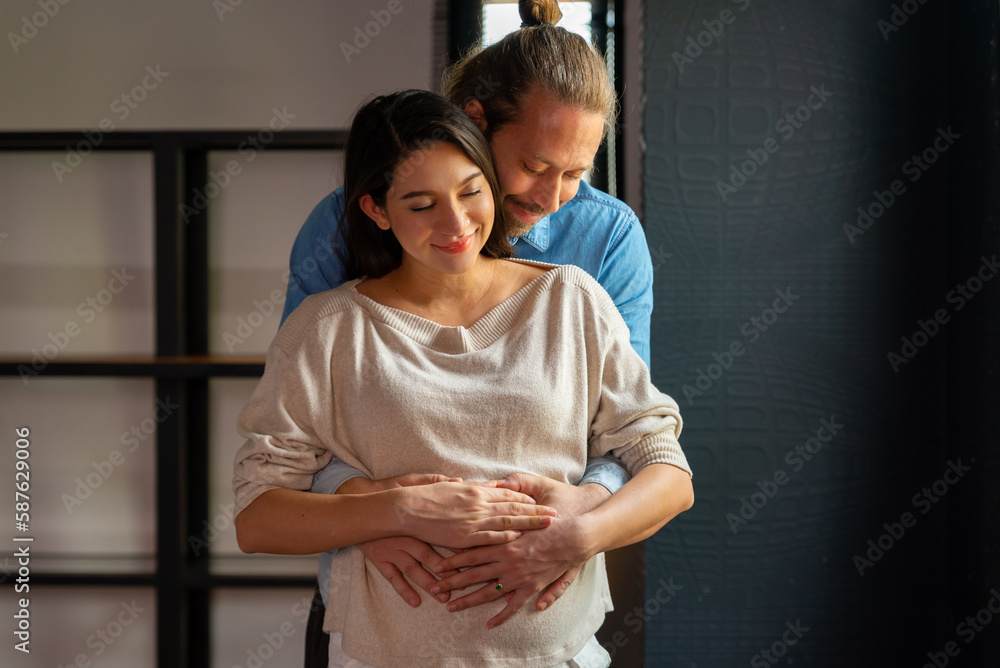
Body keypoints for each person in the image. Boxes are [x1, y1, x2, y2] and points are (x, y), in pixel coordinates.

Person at [234, 89, 692, 667]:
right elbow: (257, 518)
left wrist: (577, 537)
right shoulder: (327, 328)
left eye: (471, 191)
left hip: (561, 656)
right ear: (377, 210)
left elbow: (670, 476)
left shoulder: (571, 300)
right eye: (421, 204)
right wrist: (397, 511)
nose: (456, 223)